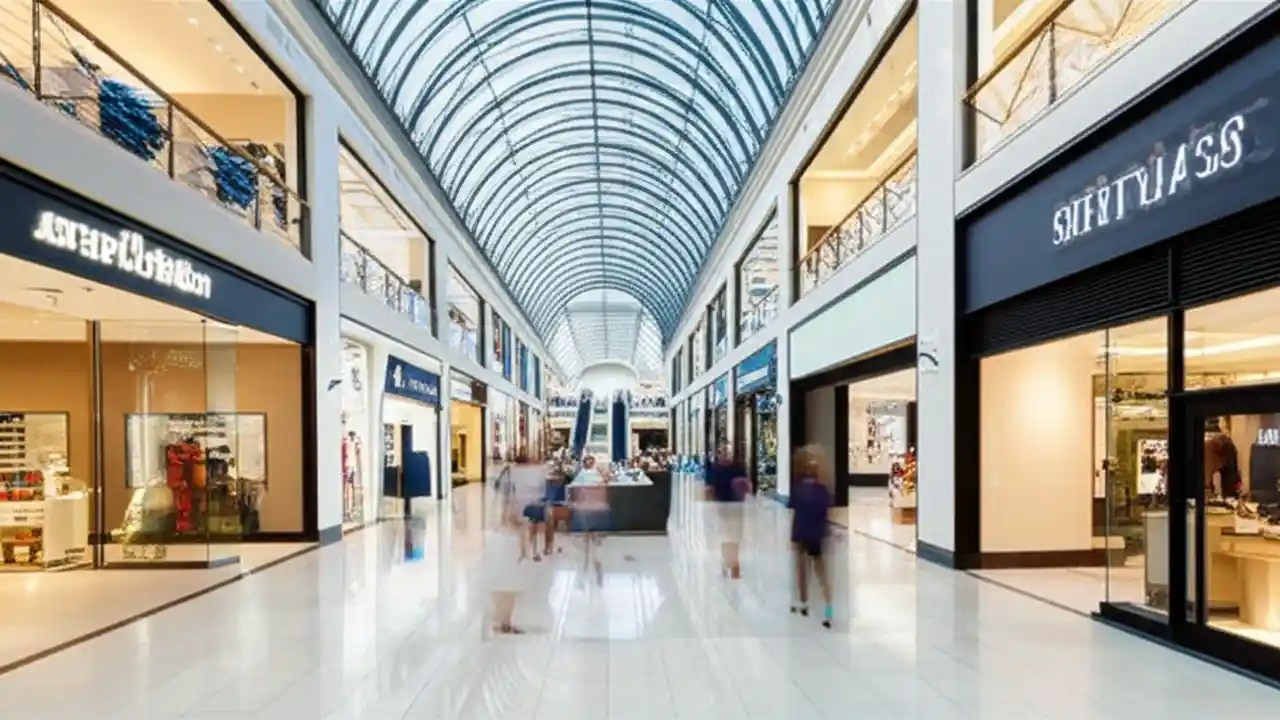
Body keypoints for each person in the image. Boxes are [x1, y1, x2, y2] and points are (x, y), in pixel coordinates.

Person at [789, 445, 834, 628]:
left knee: (801, 569)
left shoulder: (798, 489)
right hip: (816, 533)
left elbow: (794, 508)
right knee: (821, 572)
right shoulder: (822, 490)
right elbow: (826, 512)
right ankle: (828, 609)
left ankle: (803, 602)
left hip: (800, 531)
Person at [484, 470, 533, 633]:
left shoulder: (493, 503)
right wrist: (524, 524)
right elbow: (514, 521)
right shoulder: (510, 502)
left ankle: (499, 620)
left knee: (501, 585)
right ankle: (505, 622)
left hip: (497, 543)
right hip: (508, 544)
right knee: (509, 587)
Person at [705, 445, 749, 579]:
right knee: (730, 535)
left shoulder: (717, 469)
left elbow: (709, 489)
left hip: (729, 507)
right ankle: (731, 562)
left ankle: (731, 562)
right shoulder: (736, 469)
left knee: (730, 535)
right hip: (729, 507)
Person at [571, 455, 610, 585]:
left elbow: (575, 491)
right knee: (595, 530)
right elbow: (603, 490)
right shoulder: (597, 477)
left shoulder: (581, 476)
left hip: (584, 509)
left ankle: (587, 539)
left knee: (586, 530)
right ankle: (595, 539)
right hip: (598, 508)